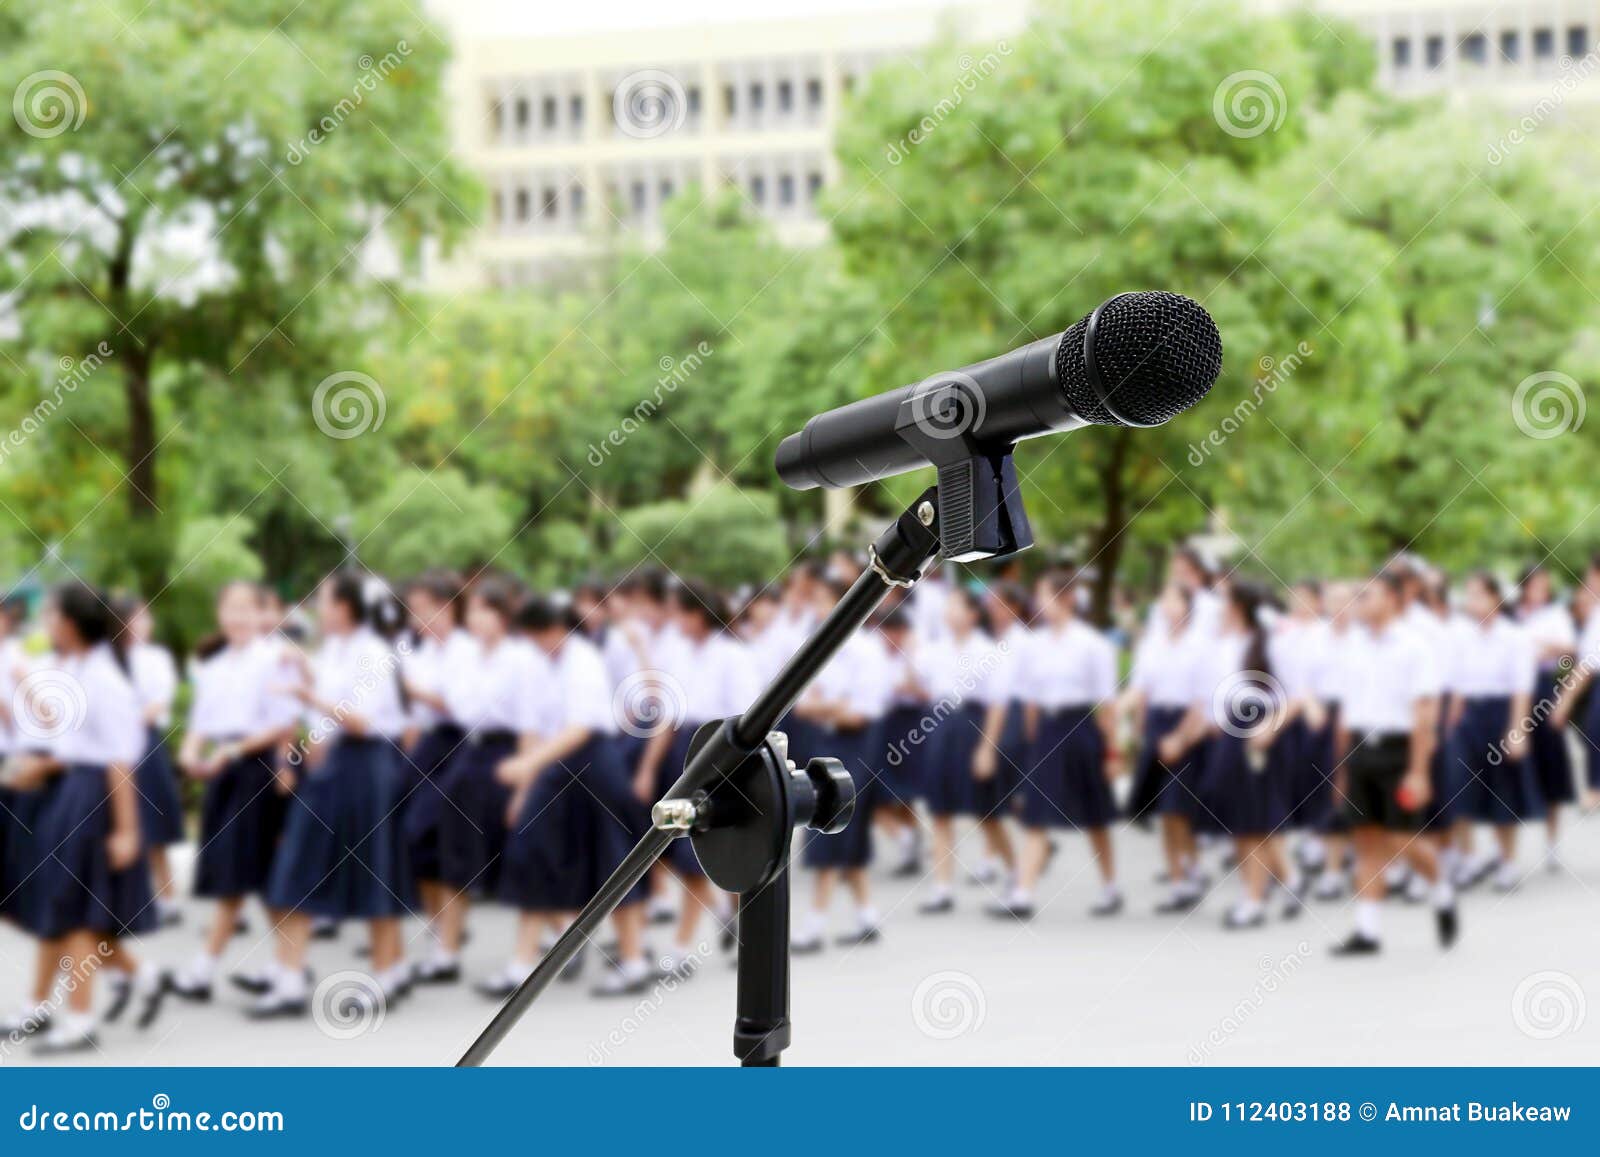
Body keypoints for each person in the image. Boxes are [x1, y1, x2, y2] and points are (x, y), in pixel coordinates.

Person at [254, 574, 415, 1017]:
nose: (318, 609)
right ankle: (289, 978)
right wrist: (306, 673)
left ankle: (385, 974)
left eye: (324, 601)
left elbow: (361, 720)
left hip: (367, 766)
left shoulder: (373, 651)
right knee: (297, 867)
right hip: (334, 766)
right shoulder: (336, 649)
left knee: (373, 872)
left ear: (346, 608)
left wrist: (307, 692)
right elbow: (326, 707)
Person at [21, 582, 169, 1052]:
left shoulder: (103, 678)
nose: (46, 623)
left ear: (68, 623)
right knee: (60, 906)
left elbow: (119, 759)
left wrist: (127, 830)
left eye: (50, 615)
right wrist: (42, 766)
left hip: (97, 800)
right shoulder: (78, 668)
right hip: (72, 794)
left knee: (80, 917)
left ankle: (79, 1020)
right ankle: (134, 980)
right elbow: (74, 741)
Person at [485, 597, 654, 998]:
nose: (537, 641)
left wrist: (529, 766)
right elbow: (531, 726)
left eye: (541, 633)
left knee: (613, 863)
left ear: (559, 628)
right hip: (550, 767)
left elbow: (580, 727)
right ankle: (522, 964)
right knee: (532, 854)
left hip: (594, 763)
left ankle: (633, 961)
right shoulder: (535, 661)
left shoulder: (583, 659)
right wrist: (523, 791)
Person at [167, 582, 298, 1003]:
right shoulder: (214, 666)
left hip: (256, 771)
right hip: (224, 773)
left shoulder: (276, 659)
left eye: (247, 608)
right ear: (219, 613)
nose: (238, 617)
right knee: (245, 873)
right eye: (230, 608)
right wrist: (190, 756)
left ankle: (207, 970)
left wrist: (234, 750)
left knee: (244, 875)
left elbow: (284, 725)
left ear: (263, 613)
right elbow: (200, 726)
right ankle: (287, 966)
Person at [1329, 572, 1458, 956]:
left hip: (1399, 751)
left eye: (1365, 595)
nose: (1358, 603)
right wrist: (1341, 770)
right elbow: (1345, 712)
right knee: (1365, 839)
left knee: (1403, 840)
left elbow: (1424, 713)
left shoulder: (1414, 646)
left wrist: (1418, 770)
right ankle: (1367, 931)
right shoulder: (1351, 646)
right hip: (1360, 748)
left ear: (1391, 597)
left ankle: (1441, 891)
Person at [989, 569, 1122, 919]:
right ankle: (1023, 894)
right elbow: (1031, 700)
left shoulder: (1093, 644)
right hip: (1047, 730)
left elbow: (1106, 704)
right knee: (1037, 813)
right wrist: (1033, 743)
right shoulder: (1034, 645)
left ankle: (1110, 886)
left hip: (1080, 727)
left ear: (1065, 599)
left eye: (1044, 595)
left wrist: (1112, 751)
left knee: (1095, 815)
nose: (1038, 603)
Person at [634, 582, 752, 974]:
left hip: (719, 754)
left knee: (695, 855)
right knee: (673, 848)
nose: (675, 620)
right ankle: (731, 914)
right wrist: (650, 768)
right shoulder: (678, 651)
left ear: (697, 614)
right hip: (683, 752)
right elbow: (667, 716)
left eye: (680, 612)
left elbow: (745, 722)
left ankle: (683, 948)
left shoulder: (733, 655)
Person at [1165, 582, 1296, 929]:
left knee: (1253, 822)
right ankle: (1272, 886)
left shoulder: (1269, 644)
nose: (1220, 607)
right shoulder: (1220, 647)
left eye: (1225, 601)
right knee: (1237, 821)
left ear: (1238, 605)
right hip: (1227, 736)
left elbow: (1294, 695)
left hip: (1259, 732)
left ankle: (1253, 900)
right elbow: (1208, 700)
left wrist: (1270, 727)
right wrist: (1187, 735)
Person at [432, 577, 537, 975]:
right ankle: (447, 951)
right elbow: (458, 706)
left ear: (503, 615)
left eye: (484, 610)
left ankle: (556, 939)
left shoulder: (521, 658)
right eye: (471, 611)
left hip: (509, 752)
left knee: (515, 851)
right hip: (471, 751)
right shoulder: (465, 656)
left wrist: (523, 786)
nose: (475, 619)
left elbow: (530, 723)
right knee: (455, 848)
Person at [792, 580, 893, 952]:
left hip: (857, 745)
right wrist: (832, 705)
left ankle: (814, 925)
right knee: (848, 833)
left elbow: (860, 713)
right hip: (827, 741)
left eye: (820, 600)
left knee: (830, 825)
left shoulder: (867, 650)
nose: (815, 609)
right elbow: (804, 706)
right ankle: (866, 916)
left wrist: (829, 706)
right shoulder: (822, 649)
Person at [917, 586, 1013, 914]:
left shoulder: (988, 650)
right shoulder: (934, 649)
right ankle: (942, 886)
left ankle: (1016, 871)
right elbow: (917, 685)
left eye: (957, 605)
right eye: (948, 606)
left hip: (973, 724)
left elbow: (998, 706)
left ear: (973, 614)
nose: (950, 612)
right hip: (939, 725)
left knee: (985, 812)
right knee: (940, 811)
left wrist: (986, 749)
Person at [398, 572, 473, 984]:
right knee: (416, 841)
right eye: (414, 609)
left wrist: (413, 691)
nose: (418, 616)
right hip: (426, 749)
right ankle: (437, 934)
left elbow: (458, 706)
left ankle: (448, 946)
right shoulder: (419, 652)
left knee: (449, 843)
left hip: (460, 746)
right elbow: (414, 717)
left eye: (425, 607)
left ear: (447, 606)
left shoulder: (465, 650)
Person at [1446, 572, 1539, 892]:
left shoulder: (1514, 636)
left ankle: (1507, 861)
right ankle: (1468, 856)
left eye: (1479, 595)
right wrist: (1450, 724)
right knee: (1456, 785)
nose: (1472, 602)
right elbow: (1457, 683)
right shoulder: (1461, 635)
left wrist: (1517, 730)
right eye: (1469, 595)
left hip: (1501, 713)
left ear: (1495, 599)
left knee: (1504, 789)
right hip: (1469, 714)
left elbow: (1521, 689)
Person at [1123, 584, 1209, 912]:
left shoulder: (1200, 647)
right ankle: (1178, 882)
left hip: (1185, 725)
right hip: (1158, 724)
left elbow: (1203, 700)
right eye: (1165, 599)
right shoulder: (1152, 644)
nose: (1167, 605)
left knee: (1178, 807)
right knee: (1163, 810)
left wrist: (1181, 737)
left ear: (1187, 608)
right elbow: (1140, 688)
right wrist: (1119, 708)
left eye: (1174, 599)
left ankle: (1192, 866)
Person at [120, 598, 185, 926]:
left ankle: (168, 898)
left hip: (144, 743)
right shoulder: (110, 657)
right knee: (124, 823)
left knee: (154, 827)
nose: (137, 624)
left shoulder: (157, 658)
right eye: (131, 618)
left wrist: (130, 720)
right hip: (116, 748)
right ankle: (133, 901)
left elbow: (160, 702)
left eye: (142, 618)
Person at [1516, 565, 1577, 869]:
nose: (1541, 589)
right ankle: (1507, 852)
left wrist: (1542, 647)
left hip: (1542, 686)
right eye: (1535, 584)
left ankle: (1552, 843)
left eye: (1545, 584)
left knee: (1551, 763)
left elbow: (1569, 650)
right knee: (1512, 765)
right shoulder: (1512, 615)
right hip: (1514, 691)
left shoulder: (1555, 615)